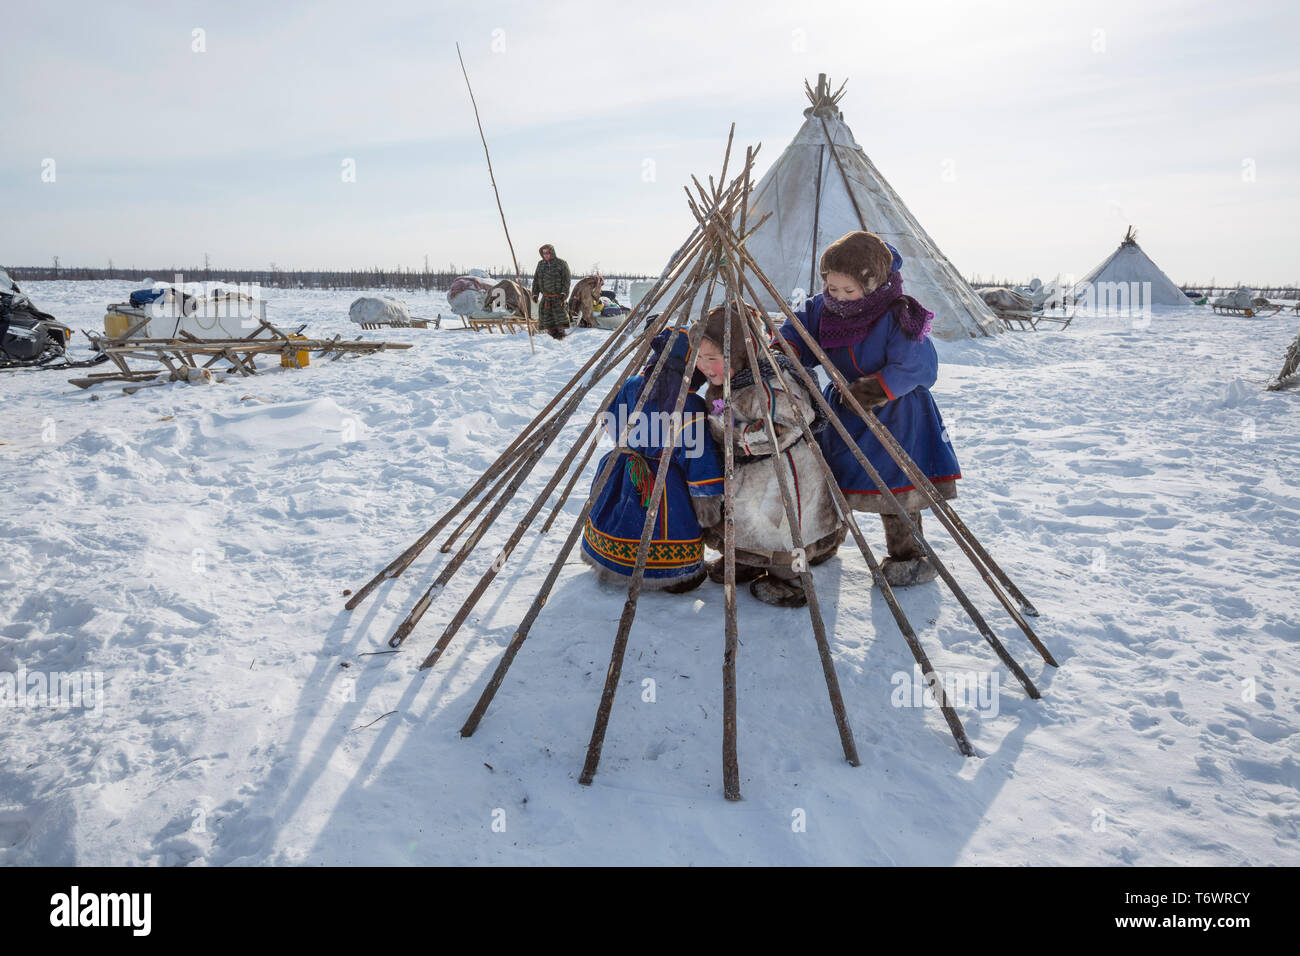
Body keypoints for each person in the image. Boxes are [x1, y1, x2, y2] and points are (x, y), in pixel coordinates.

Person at [778, 230, 960, 588]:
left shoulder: (898, 313)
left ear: (874, 284)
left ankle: (909, 556)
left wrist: (874, 389)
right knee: (831, 480)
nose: (839, 298)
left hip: (896, 413)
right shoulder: (819, 306)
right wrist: (786, 355)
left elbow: (920, 366)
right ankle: (825, 541)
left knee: (894, 485)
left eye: (849, 291)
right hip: (844, 409)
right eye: (833, 289)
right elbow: (793, 333)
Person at [695, 304, 845, 608]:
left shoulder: (771, 383)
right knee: (748, 522)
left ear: (738, 354)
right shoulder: (726, 382)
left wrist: (737, 433)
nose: (704, 366)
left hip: (782, 477)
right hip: (746, 477)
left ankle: (790, 582)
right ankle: (749, 560)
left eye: (712, 359)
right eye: (698, 359)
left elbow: (788, 425)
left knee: (778, 529)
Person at [580, 327, 724, 593]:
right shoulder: (688, 404)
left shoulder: (632, 385)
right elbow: (698, 459)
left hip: (624, 468)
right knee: (668, 526)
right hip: (665, 485)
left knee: (618, 512)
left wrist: (637, 441)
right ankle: (668, 572)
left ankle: (610, 559)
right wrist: (709, 503)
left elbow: (612, 423)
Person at [532, 243, 572, 340]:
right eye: (543, 253)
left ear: (552, 252)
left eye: (547, 252)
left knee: (560, 320)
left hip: (558, 298)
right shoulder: (540, 264)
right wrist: (535, 293)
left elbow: (567, 280)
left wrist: (564, 293)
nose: (545, 255)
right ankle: (550, 339)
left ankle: (561, 338)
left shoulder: (561, 263)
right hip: (546, 298)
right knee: (547, 321)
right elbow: (536, 279)